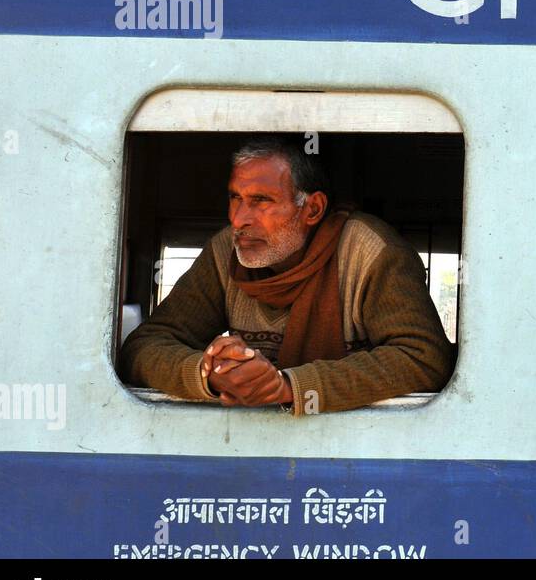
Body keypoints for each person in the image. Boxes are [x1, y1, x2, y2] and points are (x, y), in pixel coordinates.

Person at [119, 136, 455, 415]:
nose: (239, 220)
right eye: (235, 198)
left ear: (313, 209)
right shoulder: (226, 251)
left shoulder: (370, 251)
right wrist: (212, 373)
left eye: (261, 201)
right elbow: (142, 348)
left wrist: (288, 386)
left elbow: (424, 358)